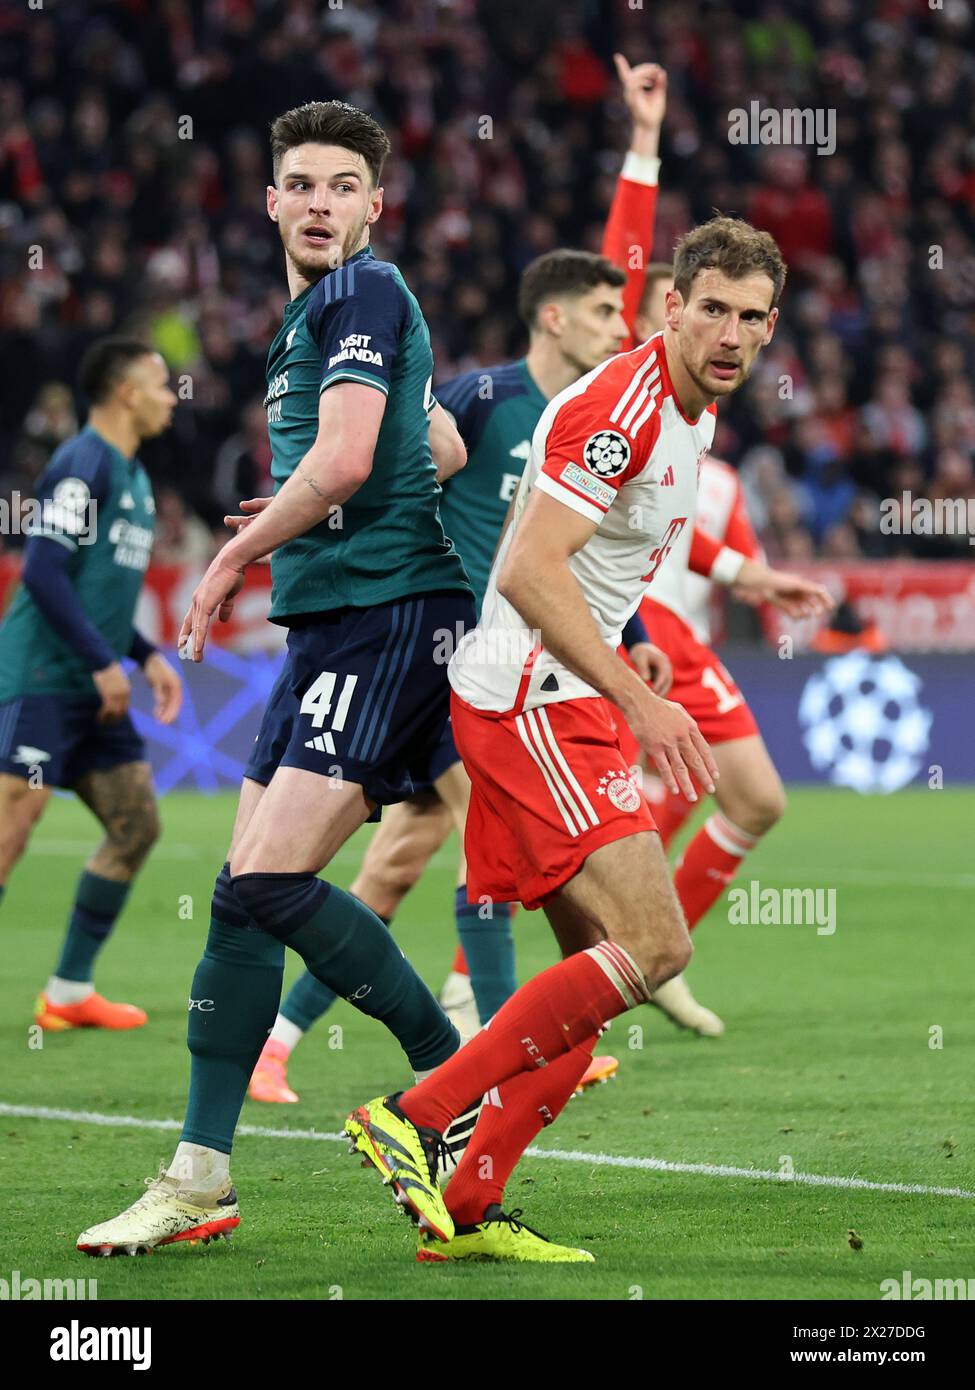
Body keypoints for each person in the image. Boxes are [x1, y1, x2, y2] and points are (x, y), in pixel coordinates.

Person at [346, 215, 833, 1262]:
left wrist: (668, 618)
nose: (733, 333)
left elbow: (629, 533)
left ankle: (466, 1210)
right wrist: (637, 692)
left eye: (753, 317)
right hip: (536, 700)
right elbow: (527, 567)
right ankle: (418, 1114)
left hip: (563, 687)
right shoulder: (627, 403)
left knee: (595, 986)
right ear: (671, 306)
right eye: (712, 308)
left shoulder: (690, 409)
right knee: (657, 946)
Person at [76, 99, 475, 1257]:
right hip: (331, 618)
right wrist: (323, 510)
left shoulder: (360, 291)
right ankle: (202, 1172)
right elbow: (434, 446)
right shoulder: (317, 313)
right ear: (270, 200)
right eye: (298, 182)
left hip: (384, 618)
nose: (317, 203)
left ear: (373, 203)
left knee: (266, 881)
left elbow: (352, 455)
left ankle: (453, 1079)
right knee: (241, 892)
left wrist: (235, 554)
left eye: (341, 185)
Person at [247, 248, 672, 1103]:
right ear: (551, 317)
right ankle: (497, 1043)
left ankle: (278, 1041)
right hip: (451, 655)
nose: (618, 329)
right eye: (599, 312)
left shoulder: (586, 416)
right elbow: (404, 469)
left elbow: (569, 546)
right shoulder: (483, 400)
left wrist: (631, 628)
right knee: (493, 840)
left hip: (513, 666)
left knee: (401, 863)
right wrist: (327, 518)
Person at [0, 337, 182, 1032]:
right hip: (42, 679)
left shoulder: (132, 476)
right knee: (12, 829)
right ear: (126, 392)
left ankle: (70, 990)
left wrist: (142, 653)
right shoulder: (82, 464)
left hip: (90, 688)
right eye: (162, 384)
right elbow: (42, 571)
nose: (173, 396)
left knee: (136, 825)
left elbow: (91, 588)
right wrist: (108, 664)